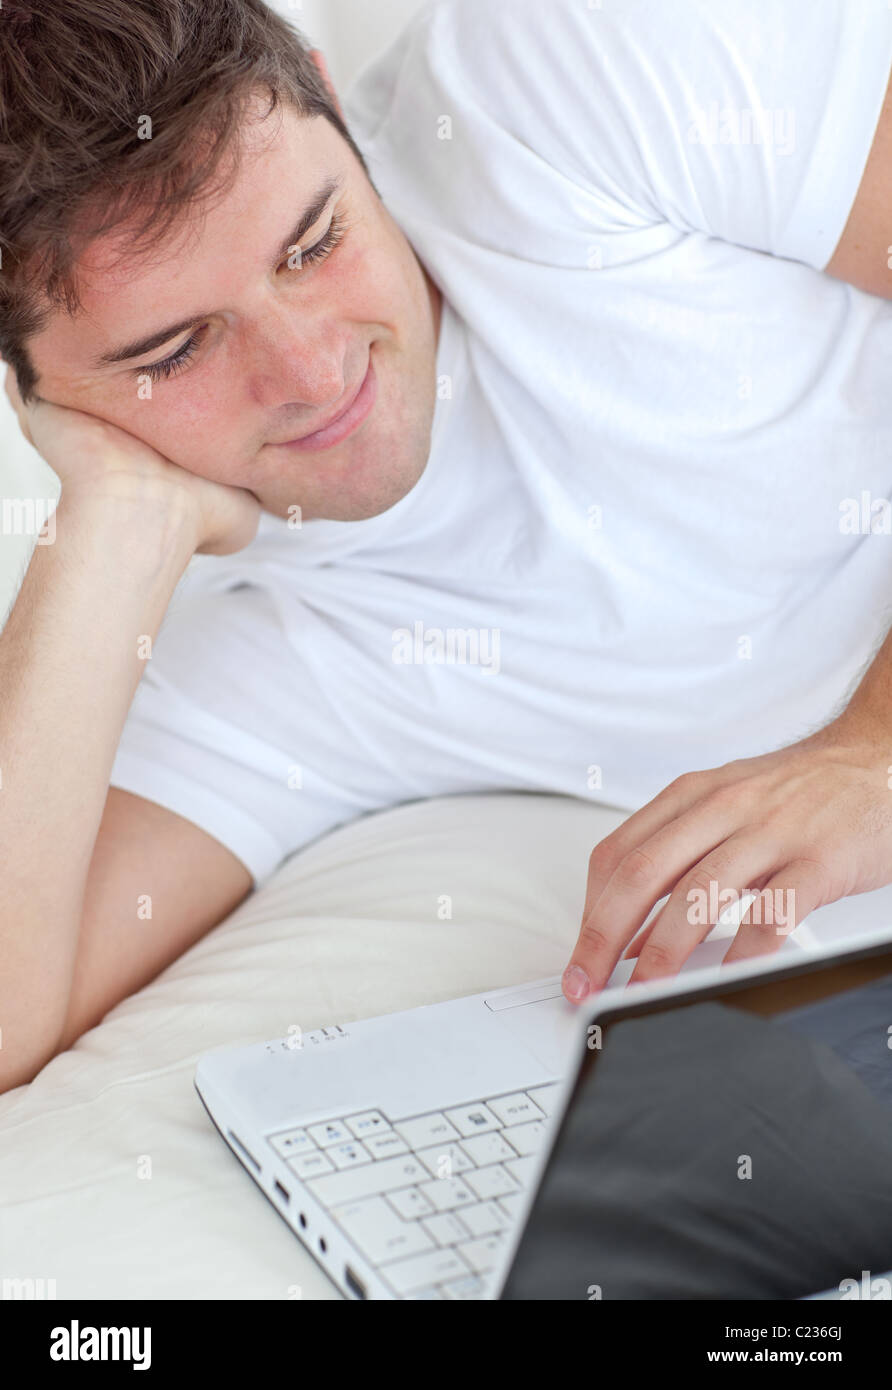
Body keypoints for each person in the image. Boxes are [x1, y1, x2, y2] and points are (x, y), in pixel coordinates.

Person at [3, 0, 892, 1094]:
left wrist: (876, 750)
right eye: (176, 351)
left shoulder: (565, 68)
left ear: (330, 99)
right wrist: (104, 530)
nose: (314, 373)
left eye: (313, 243)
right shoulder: (270, 657)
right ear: (44, 401)